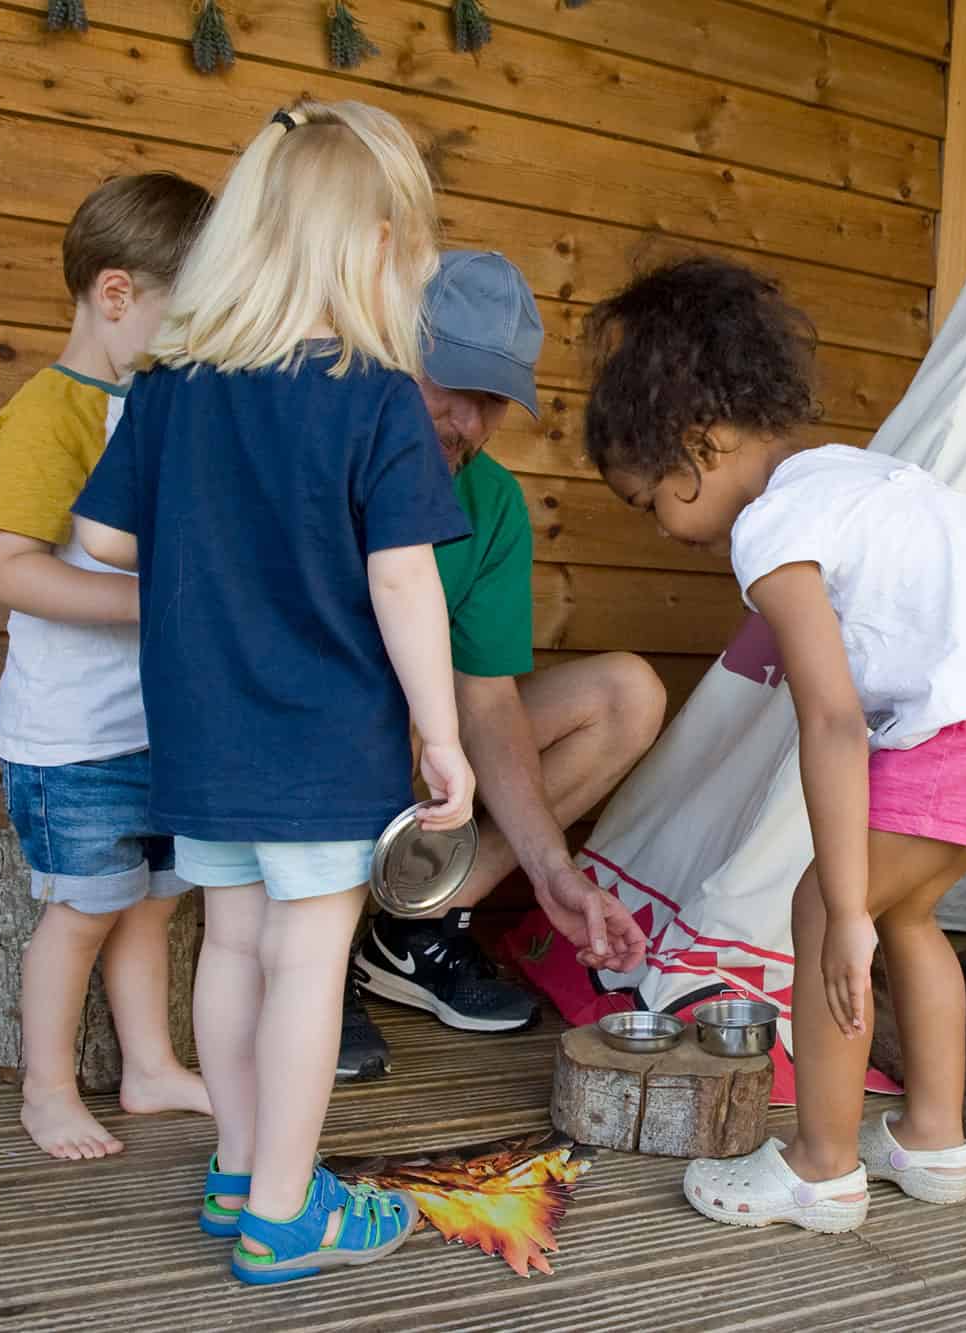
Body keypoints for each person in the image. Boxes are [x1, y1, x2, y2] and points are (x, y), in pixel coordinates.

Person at [581, 257, 966, 1234]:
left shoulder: (772, 526)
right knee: (903, 912)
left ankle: (820, 1167)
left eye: (648, 500)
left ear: (697, 446)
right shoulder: (850, 477)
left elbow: (826, 718)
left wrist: (836, 890)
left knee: (825, 905)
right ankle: (928, 1139)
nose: (662, 530)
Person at [73, 101, 471, 1284]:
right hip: (318, 739)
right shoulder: (373, 396)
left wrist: (219, 547)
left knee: (231, 944)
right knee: (307, 957)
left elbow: (102, 538)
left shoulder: (174, 385)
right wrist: (440, 738)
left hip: (203, 733)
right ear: (383, 242)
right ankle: (285, 1214)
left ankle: (240, 1170)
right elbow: (403, 580)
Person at [338, 252, 661, 1078]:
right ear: (398, 348)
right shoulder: (325, 447)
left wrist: (554, 870)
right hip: (293, 759)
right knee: (393, 703)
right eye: (455, 390)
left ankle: (416, 926)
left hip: (420, 760)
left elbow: (488, 702)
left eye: (493, 403)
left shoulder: (493, 501)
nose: (471, 426)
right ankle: (314, 958)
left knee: (629, 693)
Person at [0, 171, 214, 1162]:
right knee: (80, 913)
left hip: (158, 726)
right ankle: (48, 1085)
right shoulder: (49, 412)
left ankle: (150, 1068)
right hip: (72, 734)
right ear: (117, 295)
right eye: (186, 317)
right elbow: (10, 569)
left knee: (152, 903)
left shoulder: (162, 409)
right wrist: (158, 608)